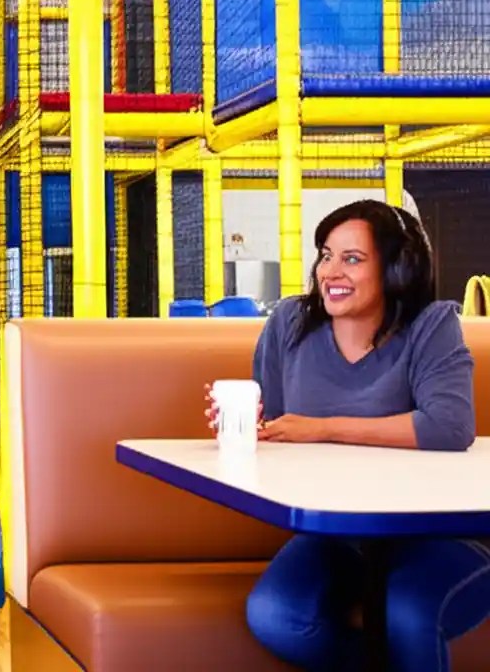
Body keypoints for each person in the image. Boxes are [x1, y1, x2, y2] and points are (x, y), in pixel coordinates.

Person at [204, 199, 489, 672]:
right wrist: (244, 428)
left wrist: (322, 429)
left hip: (438, 534)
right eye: (325, 255)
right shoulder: (290, 324)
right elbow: (277, 427)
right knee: (277, 615)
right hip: (336, 537)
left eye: (352, 259)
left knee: (408, 611)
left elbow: (449, 425)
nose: (331, 270)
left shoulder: (431, 326)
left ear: (397, 269)